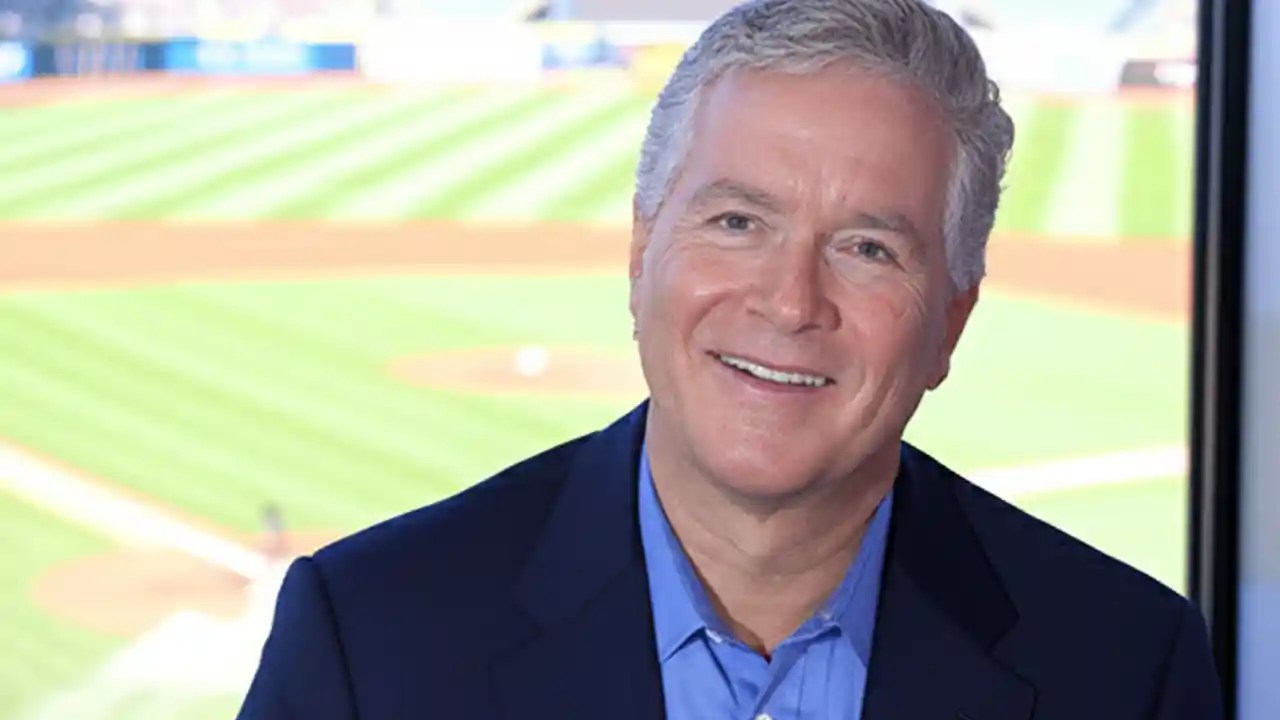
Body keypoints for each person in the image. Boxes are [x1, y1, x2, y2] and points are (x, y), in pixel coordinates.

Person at [237, 1, 1222, 718]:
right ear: (641, 252)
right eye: (738, 221)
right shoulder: (372, 643)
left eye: (868, 248)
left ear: (951, 323)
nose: (790, 302)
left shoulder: (1124, 670)